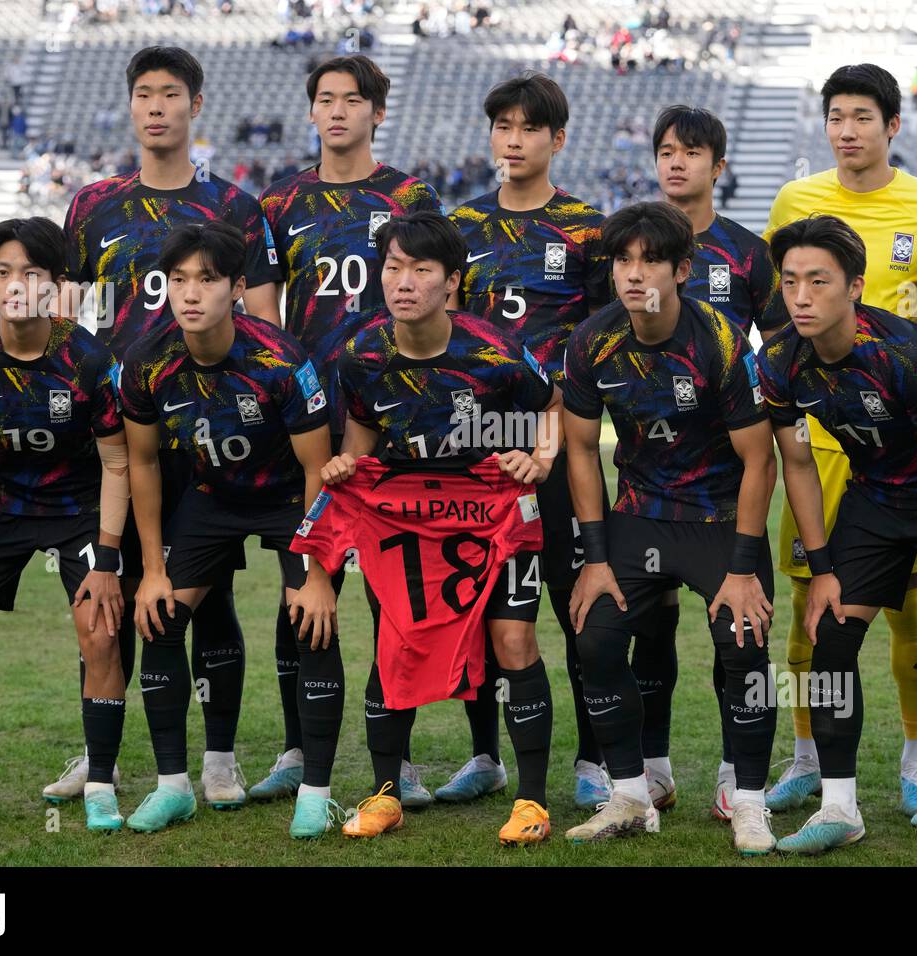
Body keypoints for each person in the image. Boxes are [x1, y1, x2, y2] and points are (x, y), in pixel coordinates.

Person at [442, 71, 681, 813]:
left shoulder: (589, 229)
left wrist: (556, 428)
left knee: (577, 598)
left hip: (557, 441)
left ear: (557, 139)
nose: (512, 141)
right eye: (502, 127)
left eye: (528, 129)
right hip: (478, 445)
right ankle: (485, 754)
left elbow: (606, 339)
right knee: (479, 605)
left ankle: (588, 757)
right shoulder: (462, 227)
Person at [54, 45, 279, 808]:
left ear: (196, 106)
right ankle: (102, 752)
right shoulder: (90, 206)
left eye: (171, 94)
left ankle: (218, 759)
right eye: (144, 94)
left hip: (204, 437)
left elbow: (267, 326)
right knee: (105, 597)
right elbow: (67, 322)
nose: (156, 106)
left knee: (205, 598)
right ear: (131, 106)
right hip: (116, 438)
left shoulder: (235, 209)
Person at [757, 213, 917, 867]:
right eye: (790, 282)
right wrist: (826, 566)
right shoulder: (777, 360)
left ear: (855, 287)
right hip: (875, 497)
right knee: (831, 634)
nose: (800, 296)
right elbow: (798, 463)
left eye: (818, 281)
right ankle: (840, 807)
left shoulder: (902, 351)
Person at [313, 210, 561, 844]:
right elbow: (363, 441)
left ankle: (531, 801)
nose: (404, 281)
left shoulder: (495, 351)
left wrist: (538, 456)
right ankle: (386, 793)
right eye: (393, 267)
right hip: (408, 523)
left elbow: (552, 405)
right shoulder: (360, 354)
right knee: (396, 644)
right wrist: (349, 461)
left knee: (511, 643)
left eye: (421, 269)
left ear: (452, 282)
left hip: (496, 514)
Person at [762, 64, 917, 819]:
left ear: (891, 127)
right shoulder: (795, 201)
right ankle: (807, 757)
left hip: (903, 445)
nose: (847, 131)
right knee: (808, 605)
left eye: (861, 118)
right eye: (836, 117)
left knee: (913, 608)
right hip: (819, 440)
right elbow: (781, 312)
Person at [255, 54, 443, 818]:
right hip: (306, 420)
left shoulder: (409, 195)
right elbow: (266, 315)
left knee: (396, 591)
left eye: (353, 100)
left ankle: (398, 762)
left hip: (390, 417)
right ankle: (300, 747)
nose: (338, 111)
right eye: (325, 100)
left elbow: (429, 291)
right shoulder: (279, 201)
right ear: (311, 112)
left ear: (377, 112)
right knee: (300, 580)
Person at [562, 202, 778, 852]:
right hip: (639, 515)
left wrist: (742, 567)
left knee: (742, 644)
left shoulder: (720, 341)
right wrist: (595, 557)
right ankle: (629, 795)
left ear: (682, 268)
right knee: (594, 640)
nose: (633, 274)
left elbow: (758, 458)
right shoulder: (591, 342)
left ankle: (749, 803)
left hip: (716, 518)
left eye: (649, 260)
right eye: (622, 260)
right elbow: (578, 450)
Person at [119, 220, 333, 832]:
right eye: (178, 280)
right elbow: (141, 462)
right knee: (158, 618)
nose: (190, 294)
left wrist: (317, 571)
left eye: (207, 280)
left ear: (237, 287)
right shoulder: (146, 362)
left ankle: (315, 795)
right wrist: (153, 570)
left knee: (311, 622)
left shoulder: (282, 359)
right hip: (212, 497)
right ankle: (172, 786)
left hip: (290, 498)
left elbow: (318, 468)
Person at [0, 217, 130, 831]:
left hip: (81, 511)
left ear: (56, 285)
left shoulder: (89, 359)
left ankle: (99, 785)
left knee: (100, 634)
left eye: (32, 274)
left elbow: (118, 462)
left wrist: (111, 559)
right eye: (4, 272)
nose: (17, 285)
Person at [652, 104, 781, 819]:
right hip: (649, 478)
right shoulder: (631, 245)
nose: (678, 162)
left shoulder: (746, 253)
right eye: (667, 150)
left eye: (692, 152)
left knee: (736, 633)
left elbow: (785, 349)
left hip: (735, 478)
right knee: (645, 625)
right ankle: (652, 767)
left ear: (717, 168)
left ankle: (738, 773)